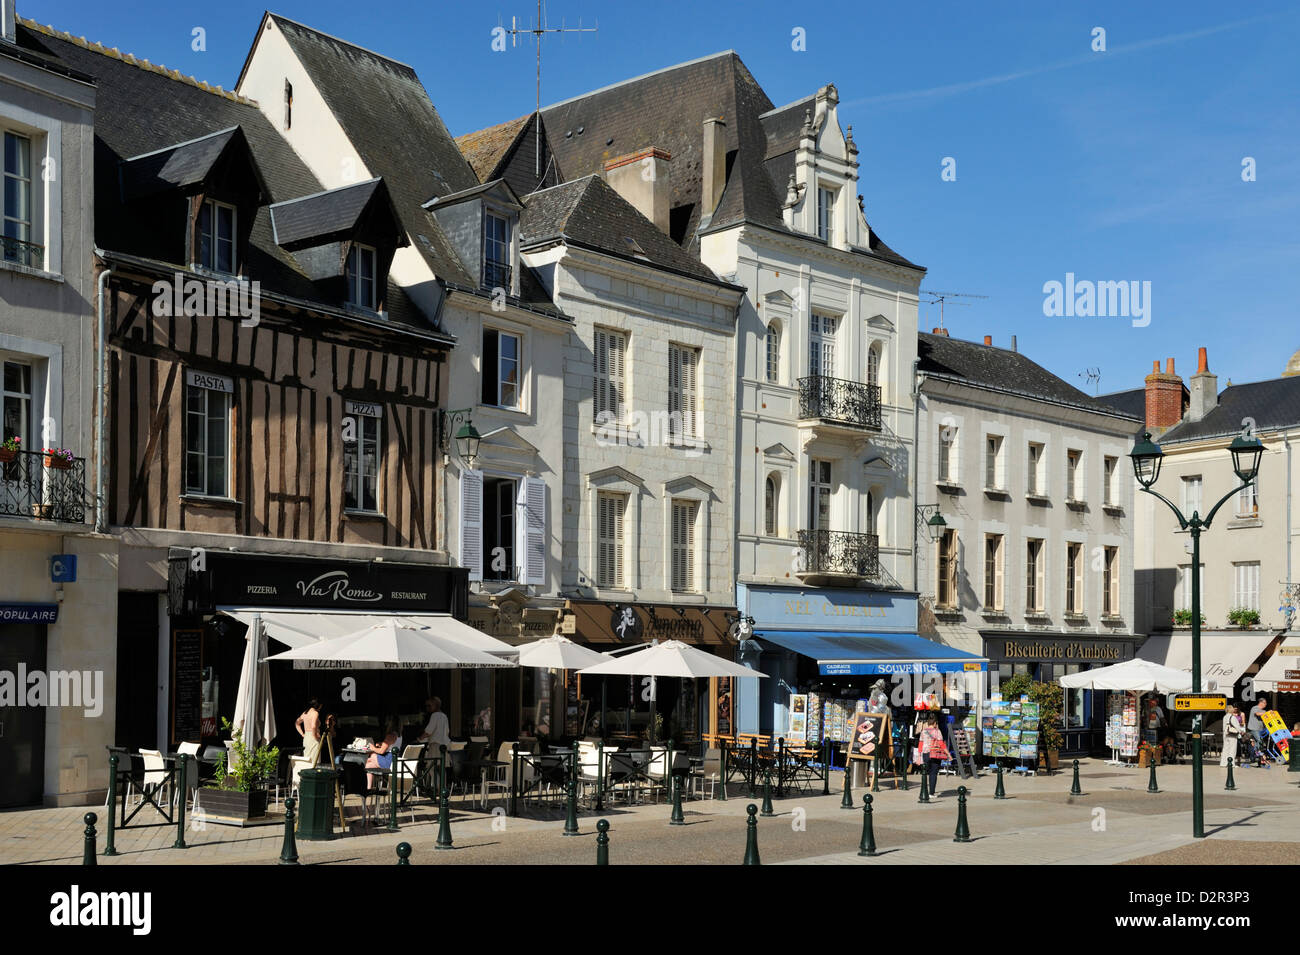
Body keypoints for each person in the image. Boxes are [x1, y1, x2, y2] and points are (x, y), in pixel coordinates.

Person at [916, 712, 948, 797]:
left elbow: (920, 744)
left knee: (924, 773)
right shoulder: (938, 732)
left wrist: (919, 757)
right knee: (933, 773)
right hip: (935, 754)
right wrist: (948, 753)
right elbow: (941, 744)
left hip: (925, 754)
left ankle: (923, 791)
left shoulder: (923, 732)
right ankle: (931, 793)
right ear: (935, 723)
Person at [364, 721, 400, 798]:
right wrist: (381, 744)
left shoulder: (390, 735)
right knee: (368, 765)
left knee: (372, 755)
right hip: (394, 761)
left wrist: (372, 747)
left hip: (388, 762)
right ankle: (368, 789)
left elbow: (381, 751)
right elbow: (389, 745)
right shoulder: (399, 735)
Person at [295, 698, 322, 766]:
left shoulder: (305, 713)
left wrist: (302, 734)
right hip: (313, 738)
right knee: (315, 761)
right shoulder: (315, 713)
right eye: (321, 706)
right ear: (318, 705)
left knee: (307, 760)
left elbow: (297, 723)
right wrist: (315, 736)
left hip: (306, 738)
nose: (321, 708)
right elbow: (313, 726)